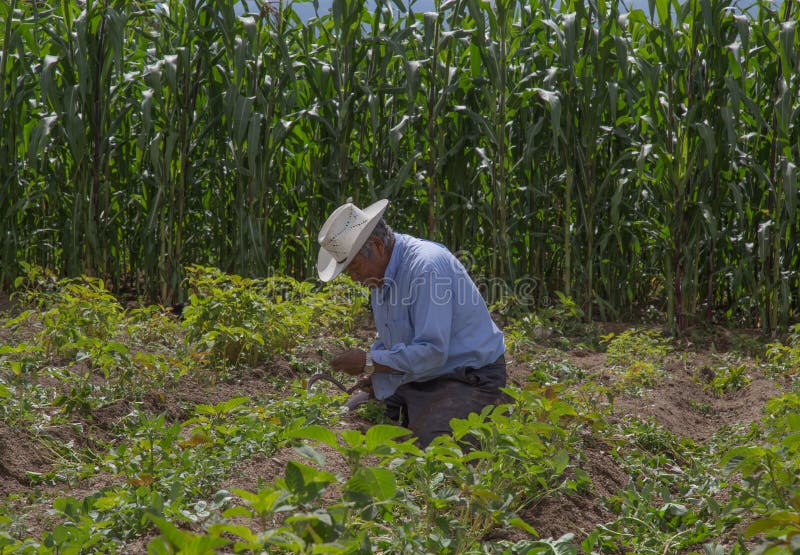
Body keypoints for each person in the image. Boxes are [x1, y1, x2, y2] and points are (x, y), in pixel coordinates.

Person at [316, 198, 508, 446]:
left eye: (354, 267)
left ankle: (490, 409)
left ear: (376, 246)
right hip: (420, 375)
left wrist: (368, 362)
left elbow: (432, 353)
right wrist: (376, 373)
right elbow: (394, 337)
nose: (353, 277)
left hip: (468, 378)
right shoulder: (379, 276)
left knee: (431, 448)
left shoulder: (425, 268)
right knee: (348, 416)